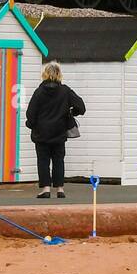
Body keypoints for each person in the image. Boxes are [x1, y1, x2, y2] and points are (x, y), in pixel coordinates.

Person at [25, 62, 86, 200]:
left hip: (41, 133)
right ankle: (60, 189)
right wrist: (72, 112)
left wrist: (30, 124)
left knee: (43, 160)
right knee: (59, 160)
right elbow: (81, 107)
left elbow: (30, 114)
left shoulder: (39, 92)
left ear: (45, 74)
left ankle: (46, 189)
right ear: (59, 74)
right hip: (59, 132)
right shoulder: (65, 91)